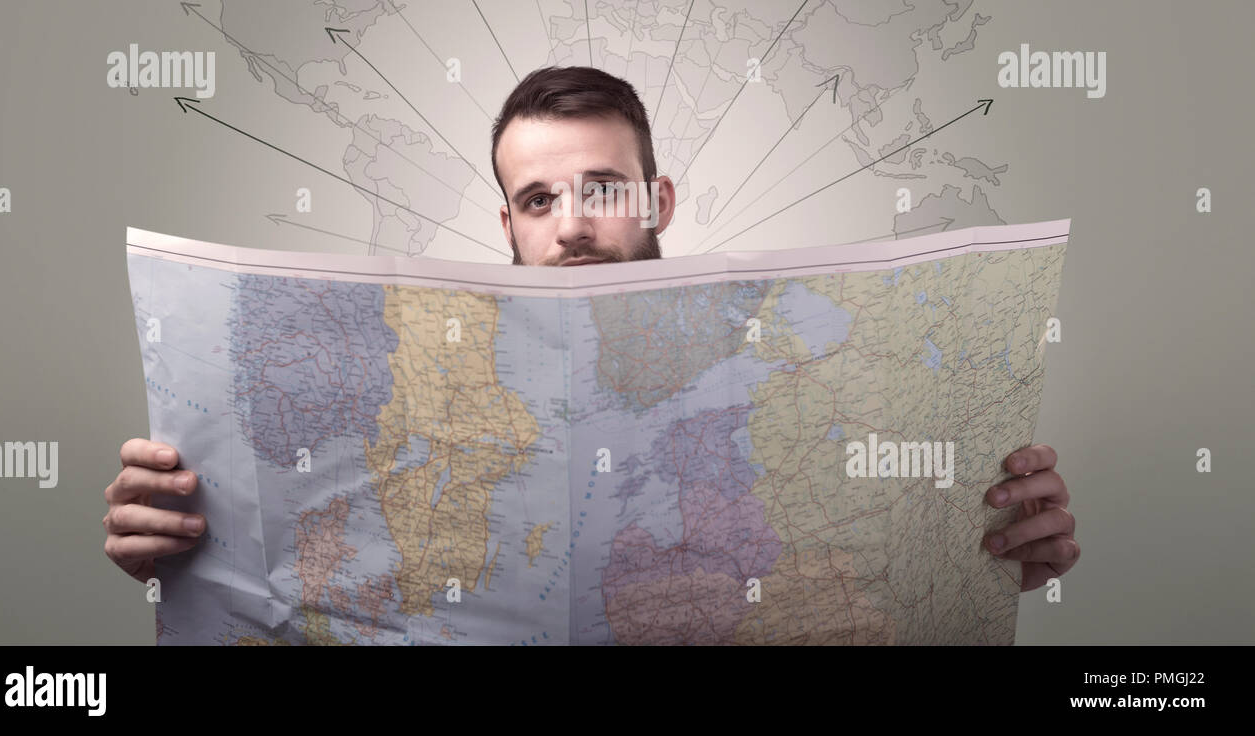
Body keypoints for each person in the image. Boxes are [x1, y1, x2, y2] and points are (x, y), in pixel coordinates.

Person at [104, 65, 1079, 596]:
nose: (570, 223)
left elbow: (871, 570)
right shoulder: (425, 398)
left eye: (601, 189)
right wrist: (186, 544)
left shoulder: (801, 367)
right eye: (537, 198)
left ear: (655, 198)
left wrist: (990, 554)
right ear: (508, 226)